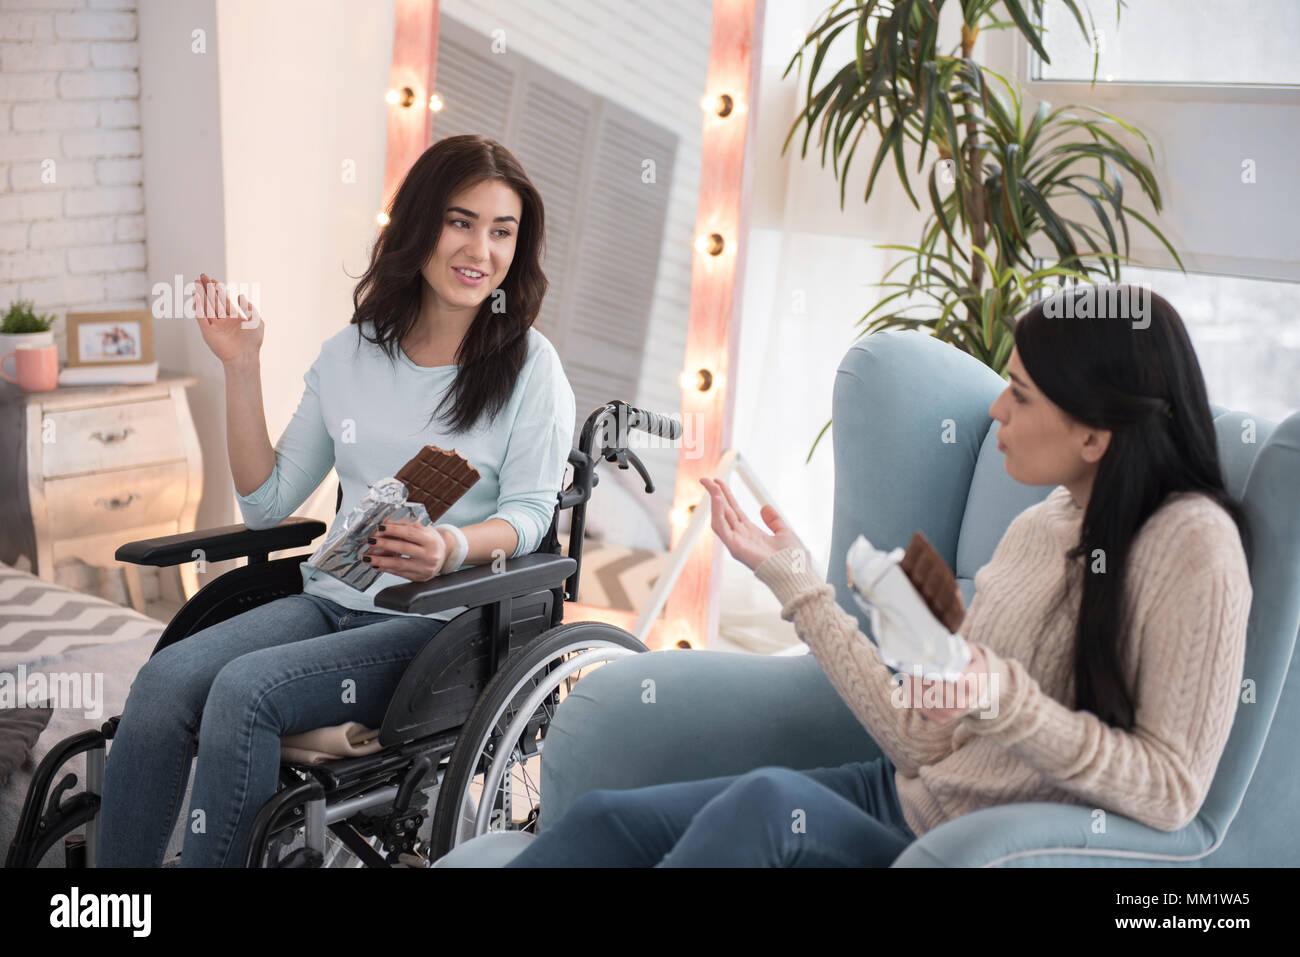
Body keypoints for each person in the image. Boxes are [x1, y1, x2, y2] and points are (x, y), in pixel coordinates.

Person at [504, 284, 1253, 867]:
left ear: (1096, 432)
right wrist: (792, 579)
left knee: (767, 803)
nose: (997, 410)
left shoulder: (1194, 547)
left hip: (973, 849)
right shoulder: (1041, 525)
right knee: (605, 820)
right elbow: (918, 741)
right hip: (903, 800)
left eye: (1021, 395)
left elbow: (1172, 792)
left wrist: (1002, 694)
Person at [98, 134, 576, 867]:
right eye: (460, 221)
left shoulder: (531, 369)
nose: (480, 247)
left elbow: (531, 516)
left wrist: (450, 548)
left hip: (437, 626)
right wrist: (243, 367)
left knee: (245, 693)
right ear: (419, 223)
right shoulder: (351, 352)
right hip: (331, 597)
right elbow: (268, 502)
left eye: (502, 230)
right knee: (163, 681)